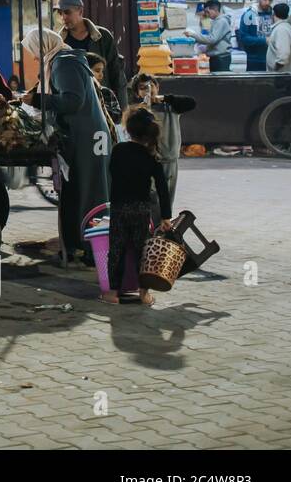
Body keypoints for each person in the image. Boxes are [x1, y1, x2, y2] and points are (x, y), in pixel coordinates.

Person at [22, 27, 110, 263]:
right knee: (77, 192)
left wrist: (39, 100)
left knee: (91, 192)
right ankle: (78, 245)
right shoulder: (62, 61)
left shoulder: (64, 63)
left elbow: (72, 100)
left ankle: (95, 251)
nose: (34, 57)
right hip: (81, 135)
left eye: (34, 51)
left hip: (87, 137)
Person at [102, 107, 172, 306]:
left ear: (129, 130)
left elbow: (113, 174)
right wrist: (166, 216)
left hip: (119, 207)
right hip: (142, 210)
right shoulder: (151, 157)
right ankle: (143, 294)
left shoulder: (118, 150)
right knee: (143, 252)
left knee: (117, 249)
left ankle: (112, 293)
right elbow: (162, 189)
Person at [129, 72, 195, 203]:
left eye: (151, 85)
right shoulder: (137, 111)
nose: (148, 90)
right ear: (137, 93)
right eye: (142, 88)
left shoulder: (170, 106)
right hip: (148, 160)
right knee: (151, 199)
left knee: (167, 200)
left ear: (157, 87)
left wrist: (166, 98)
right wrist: (145, 108)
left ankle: (164, 222)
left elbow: (191, 103)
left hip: (169, 160)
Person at [56, 0, 127, 106]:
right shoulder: (59, 42)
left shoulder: (103, 36)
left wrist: (123, 107)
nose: (63, 17)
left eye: (67, 12)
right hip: (74, 106)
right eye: (60, 13)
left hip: (103, 102)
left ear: (80, 11)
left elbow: (116, 72)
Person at [185, 0, 233, 73]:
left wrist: (193, 35)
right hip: (217, 57)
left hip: (220, 58)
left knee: (220, 82)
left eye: (207, 12)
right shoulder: (215, 21)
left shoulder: (221, 21)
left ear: (215, 9)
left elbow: (212, 39)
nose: (207, 14)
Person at [236, 0, 275, 73]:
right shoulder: (249, 15)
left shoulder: (273, 14)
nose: (267, 2)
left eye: (270, 0)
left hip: (271, 58)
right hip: (254, 59)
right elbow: (244, 38)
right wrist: (264, 40)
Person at [86, 51, 123, 126]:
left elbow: (118, 118)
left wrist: (99, 107)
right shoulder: (76, 94)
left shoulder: (105, 92)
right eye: (97, 70)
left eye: (102, 71)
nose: (101, 75)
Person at [267, 3, 291, 73]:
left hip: (282, 74)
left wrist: (275, 69)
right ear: (287, 15)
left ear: (273, 14)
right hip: (284, 74)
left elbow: (283, 56)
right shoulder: (286, 27)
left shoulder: (281, 29)